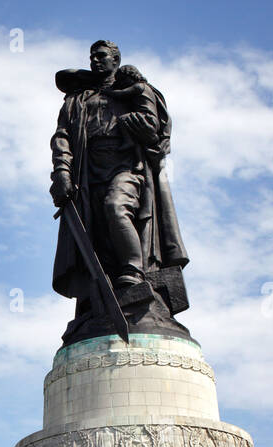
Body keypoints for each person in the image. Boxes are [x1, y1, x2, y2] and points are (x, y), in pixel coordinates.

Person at [50, 40, 190, 345]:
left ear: (116, 59)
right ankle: (102, 299)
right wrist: (61, 171)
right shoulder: (78, 99)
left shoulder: (135, 89)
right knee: (95, 237)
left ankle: (133, 273)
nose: (96, 61)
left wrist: (137, 125)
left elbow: (155, 130)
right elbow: (62, 137)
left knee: (117, 207)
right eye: (92, 57)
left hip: (126, 166)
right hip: (87, 175)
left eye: (102, 56)